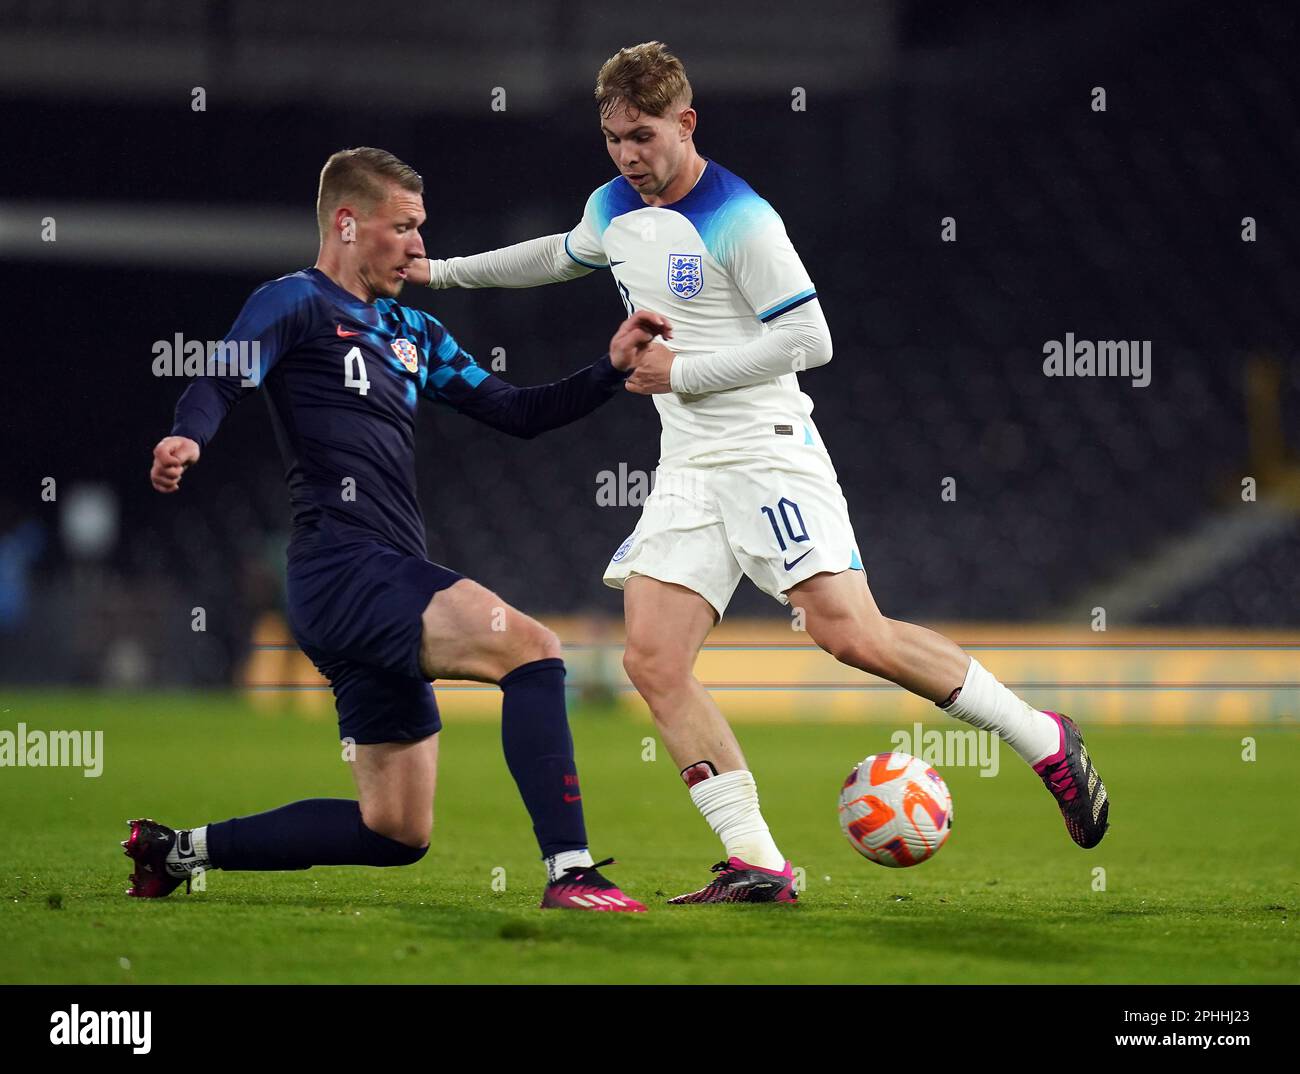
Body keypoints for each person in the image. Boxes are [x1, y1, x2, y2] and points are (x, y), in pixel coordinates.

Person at [407, 43, 1110, 904]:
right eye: (613, 139)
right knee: (653, 660)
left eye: (643, 136)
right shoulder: (612, 207)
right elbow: (560, 252)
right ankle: (761, 864)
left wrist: (685, 375)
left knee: (849, 633)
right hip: (688, 465)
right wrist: (439, 271)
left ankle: (1041, 736)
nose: (628, 156)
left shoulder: (741, 216)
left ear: (685, 123)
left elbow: (812, 339)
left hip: (768, 449)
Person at [126, 146, 670, 912]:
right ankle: (571, 871)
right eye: (405, 227)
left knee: (396, 832)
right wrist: (189, 435)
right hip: (345, 567)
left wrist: (609, 367)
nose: (420, 247)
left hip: (368, 584)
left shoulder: (414, 331)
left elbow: (515, 412)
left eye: (422, 229)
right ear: (348, 224)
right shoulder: (296, 302)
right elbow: (223, 371)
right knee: (536, 653)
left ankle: (177, 851)